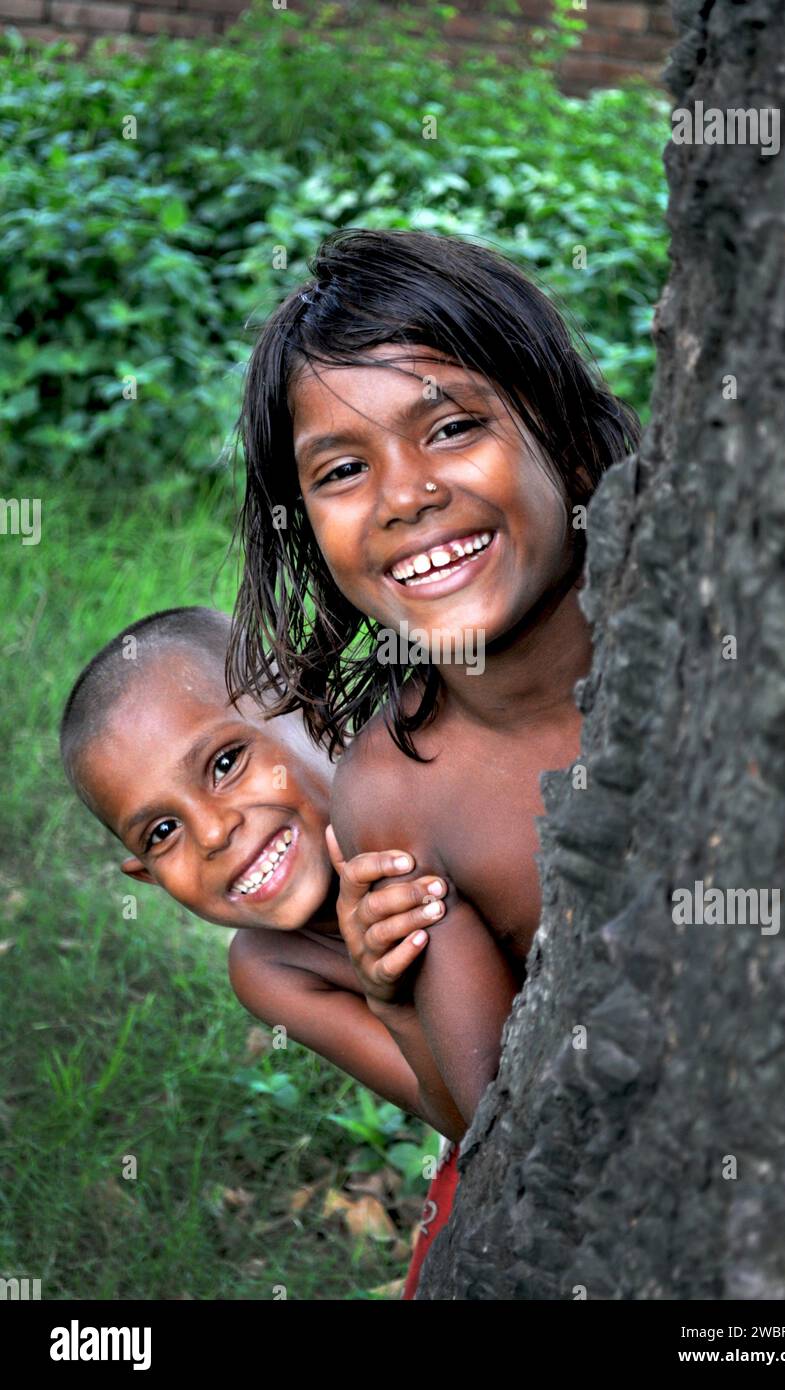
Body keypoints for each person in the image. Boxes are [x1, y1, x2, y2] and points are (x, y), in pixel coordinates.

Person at [227, 228, 641, 1132]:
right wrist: (391, 998)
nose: (405, 495)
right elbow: (492, 1125)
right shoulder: (395, 799)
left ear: (569, 445)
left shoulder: (703, 630)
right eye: (342, 471)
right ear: (309, 536)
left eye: (452, 428)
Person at [58, 604, 466, 1156]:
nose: (212, 833)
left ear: (314, 711)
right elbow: (470, 1121)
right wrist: (390, 1003)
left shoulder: (429, 771)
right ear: (149, 877)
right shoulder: (271, 969)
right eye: (162, 830)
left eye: (225, 764)